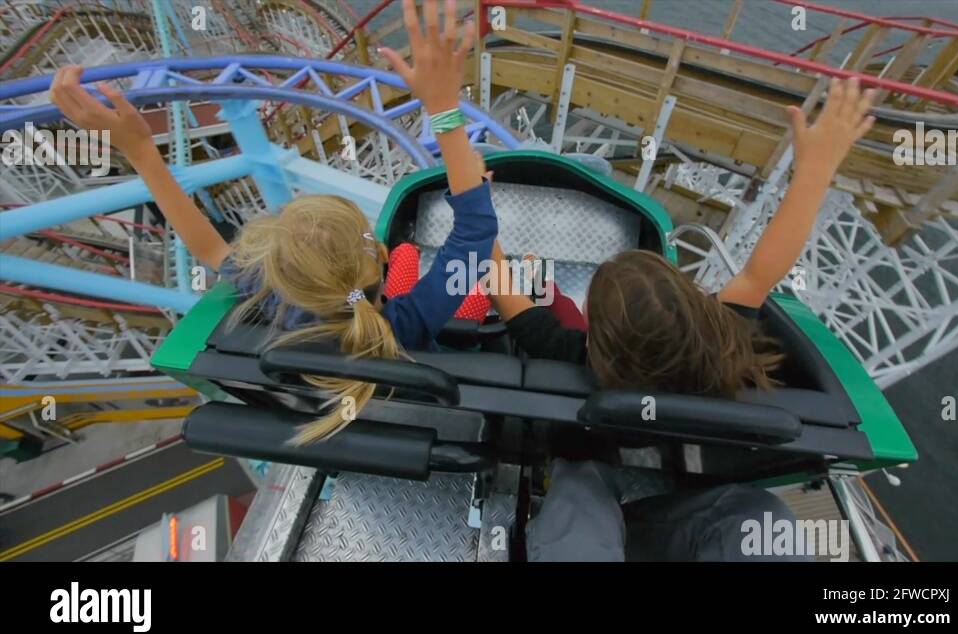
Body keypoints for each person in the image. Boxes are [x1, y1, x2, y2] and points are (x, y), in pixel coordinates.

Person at [49, 0, 496, 444]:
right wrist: (443, 107)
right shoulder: (410, 323)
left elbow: (208, 248)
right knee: (465, 287)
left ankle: (407, 260)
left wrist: (140, 153)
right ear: (374, 257)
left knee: (417, 260)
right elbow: (475, 235)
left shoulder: (275, 301)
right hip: (441, 363)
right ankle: (423, 273)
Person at [488, 76, 876, 400]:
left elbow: (497, 277)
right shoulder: (723, 353)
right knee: (550, 299)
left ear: (596, 335)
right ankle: (544, 286)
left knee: (551, 301)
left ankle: (543, 285)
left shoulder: (564, 353)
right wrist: (817, 168)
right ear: (693, 308)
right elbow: (761, 273)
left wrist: (474, 198)